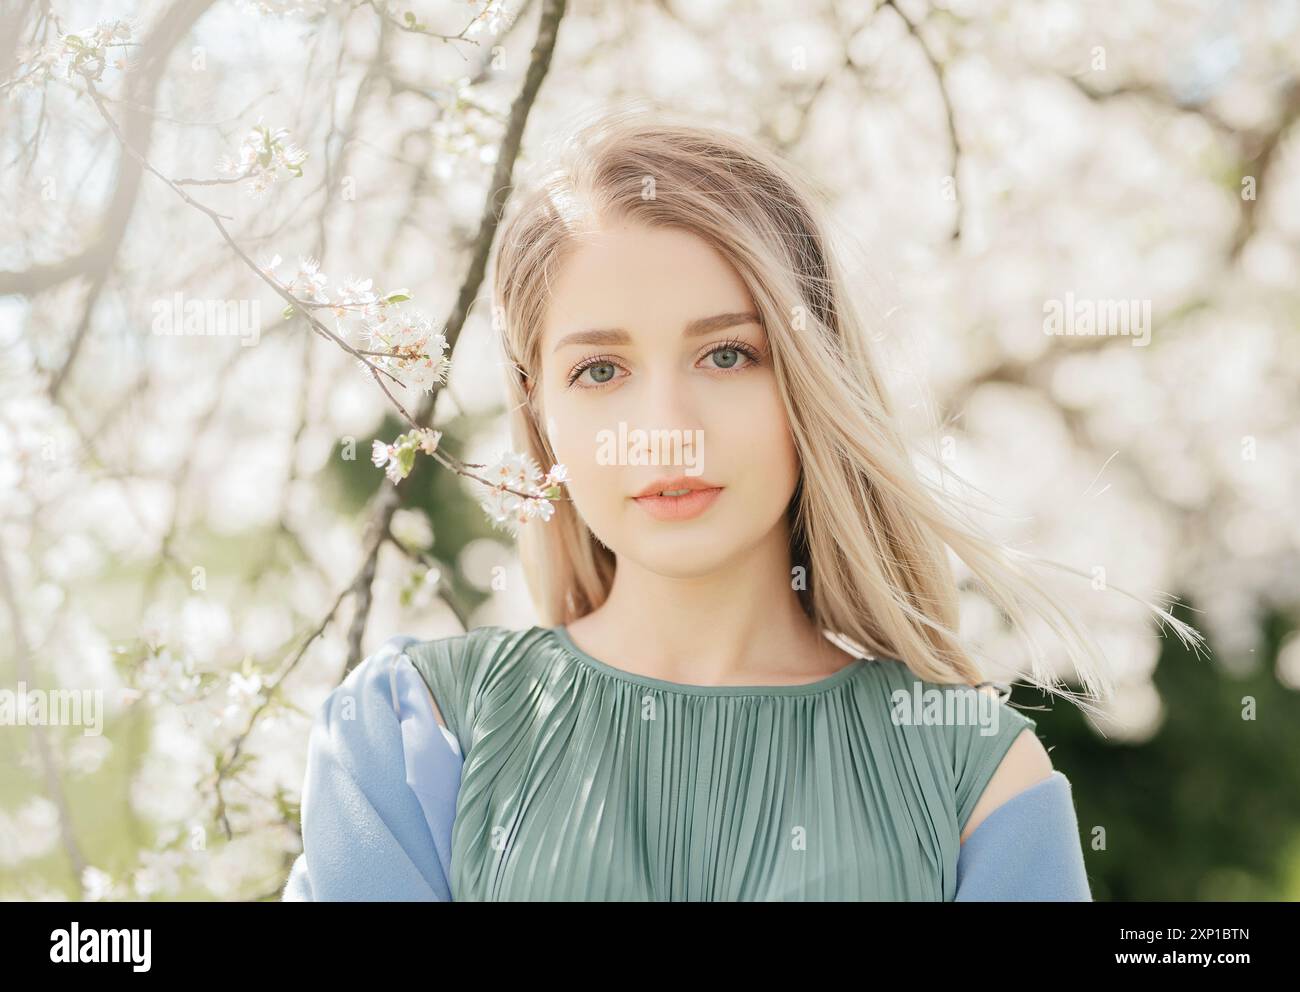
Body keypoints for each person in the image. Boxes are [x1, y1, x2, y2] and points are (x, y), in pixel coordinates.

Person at [284, 107, 1202, 901]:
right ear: (539, 412)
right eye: (600, 370)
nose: (667, 428)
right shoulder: (411, 734)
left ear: (809, 377)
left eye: (727, 355)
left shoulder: (976, 779)